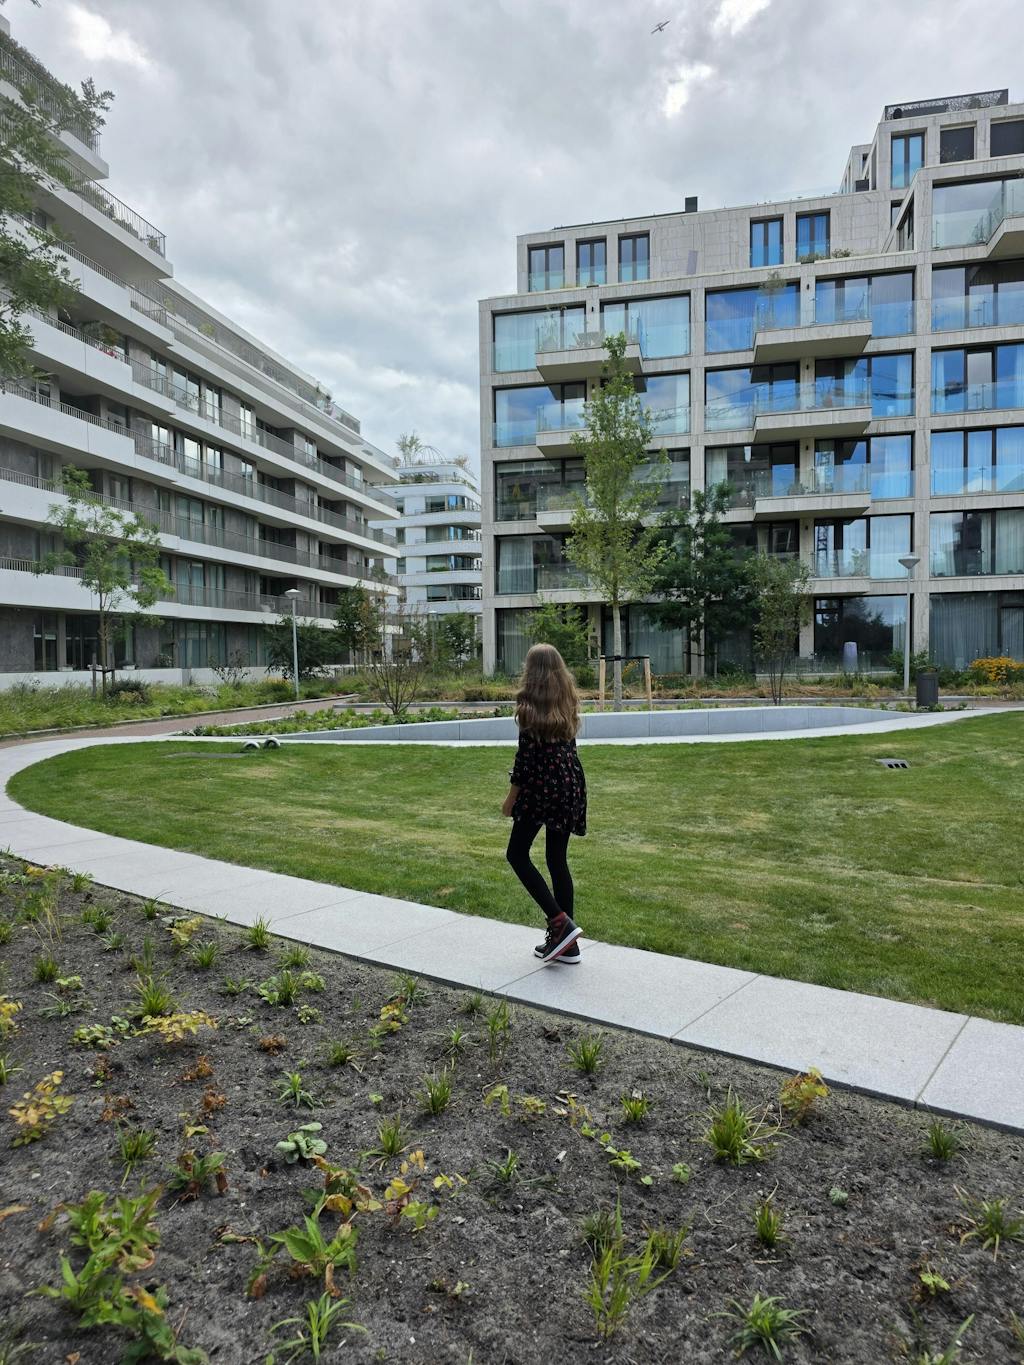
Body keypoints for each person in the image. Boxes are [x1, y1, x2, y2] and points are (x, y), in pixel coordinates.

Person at [502, 642, 587, 964]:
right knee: (556, 859)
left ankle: (560, 924)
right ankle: (568, 945)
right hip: (569, 783)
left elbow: (525, 761)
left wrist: (511, 798)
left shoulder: (527, 707)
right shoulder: (568, 702)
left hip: (541, 785)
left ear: (531, 671)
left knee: (517, 854)